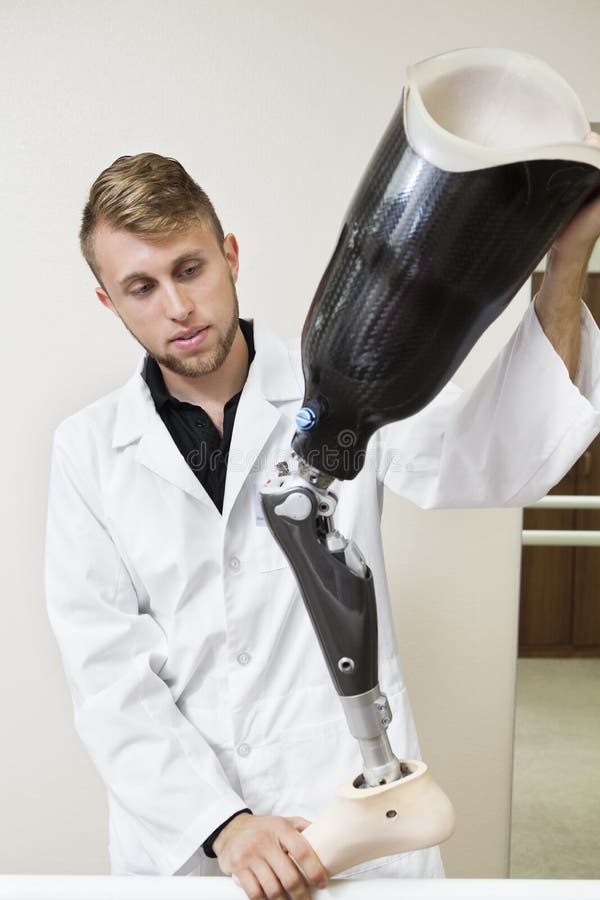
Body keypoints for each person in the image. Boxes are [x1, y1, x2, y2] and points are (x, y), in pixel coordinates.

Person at [46, 147, 600, 899]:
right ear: (109, 301)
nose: (176, 307)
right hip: (190, 848)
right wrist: (227, 824)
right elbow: (105, 673)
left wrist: (566, 263)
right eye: (141, 287)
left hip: (358, 825)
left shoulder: (347, 382)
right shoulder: (88, 451)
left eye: (189, 269)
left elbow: (504, 461)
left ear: (229, 255)